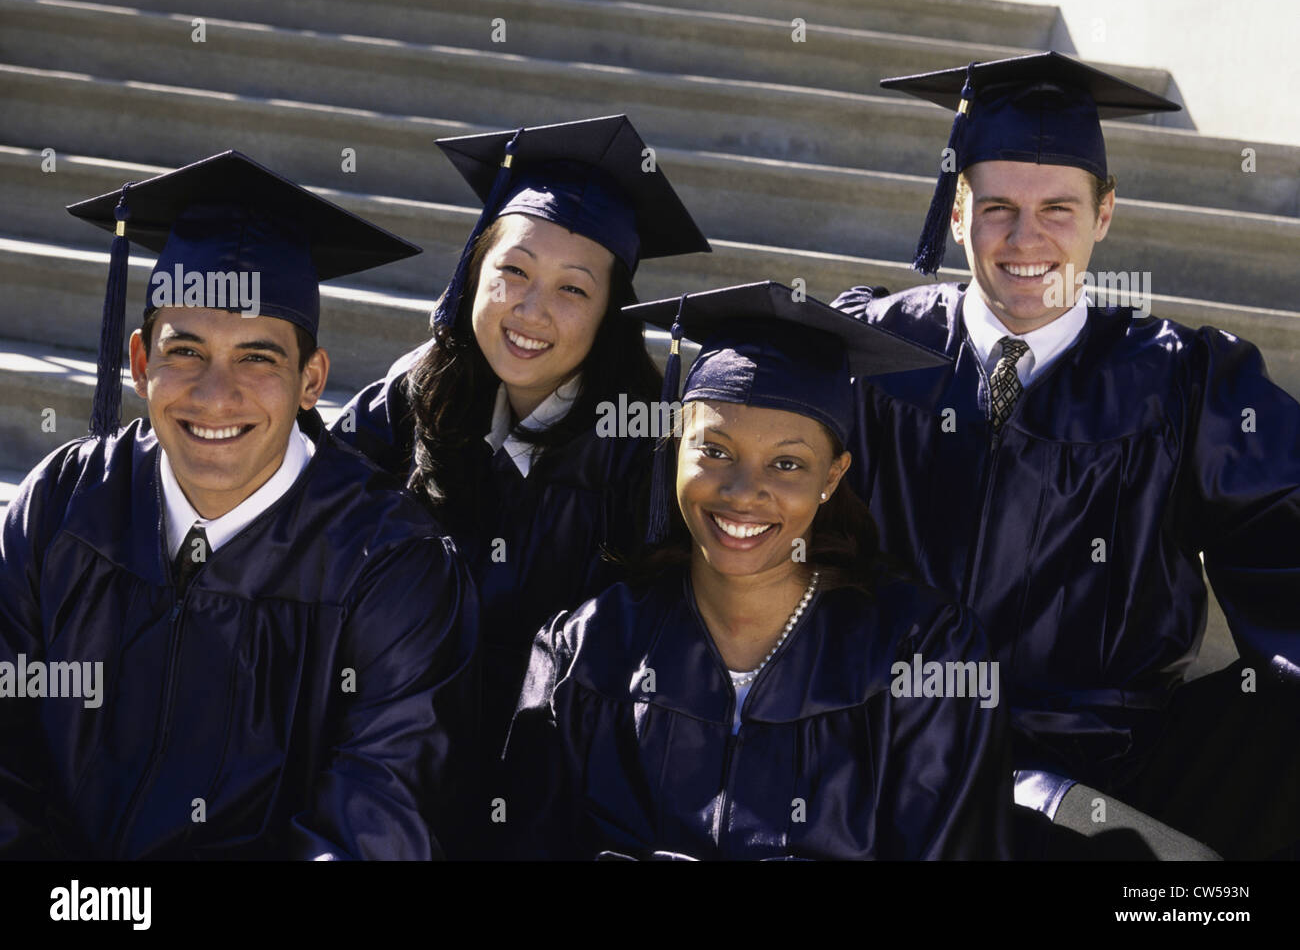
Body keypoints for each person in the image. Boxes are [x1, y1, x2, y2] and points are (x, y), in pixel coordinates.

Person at [833, 52, 1300, 858]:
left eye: (1058, 208)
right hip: (885, 732)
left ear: (1105, 213)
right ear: (955, 214)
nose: (1027, 239)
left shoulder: (1182, 379)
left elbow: (1285, 525)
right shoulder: (872, 350)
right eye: (998, 208)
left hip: (1108, 755)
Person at [0, 150, 478, 860]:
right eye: (185, 352)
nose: (216, 395)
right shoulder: (63, 505)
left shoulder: (390, 566)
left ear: (312, 380)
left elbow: (376, 823)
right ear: (138, 364)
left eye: (257, 358)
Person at [504, 281, 1012, 860]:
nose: (744, 493)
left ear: (832, 476)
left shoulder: (923, 658)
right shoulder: (586, 651)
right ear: (674, 447)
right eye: (714, 451)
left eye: (787, 464)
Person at [329, 115, 711, 808]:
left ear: (609, 314)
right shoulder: (416, 392)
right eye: (513, 271)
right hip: (392, 750)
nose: (531, 311)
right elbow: (317, 507)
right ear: (475, 271)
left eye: (573, 289)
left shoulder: (646, 450)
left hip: (552, 779)